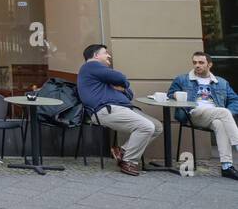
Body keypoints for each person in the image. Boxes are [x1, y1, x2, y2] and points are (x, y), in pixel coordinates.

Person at [77, 43, 162, 176]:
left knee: (156, 127)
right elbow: (121, 78)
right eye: (105, 53)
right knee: (146, 127)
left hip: (121, 108)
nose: (109, 55)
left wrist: (122, 86)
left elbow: (129, 94)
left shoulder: (101, 75)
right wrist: (122, 84)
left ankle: (122, 151)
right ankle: (128, 161)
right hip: (105, 110)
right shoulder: (91, 66)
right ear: (95, 55)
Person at [168, 52, 238, 180]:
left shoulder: (221, 82)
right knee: (223, 112)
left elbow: (235, 100)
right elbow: (170, 94)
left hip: (215, 115)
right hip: (193, 113)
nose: (197, 65)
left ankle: (226, 166)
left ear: (210, 64)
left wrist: (230, 112)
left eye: (201, 63)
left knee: (220, 123)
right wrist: (175, 95)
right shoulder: (182, 79)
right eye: (194, 62)